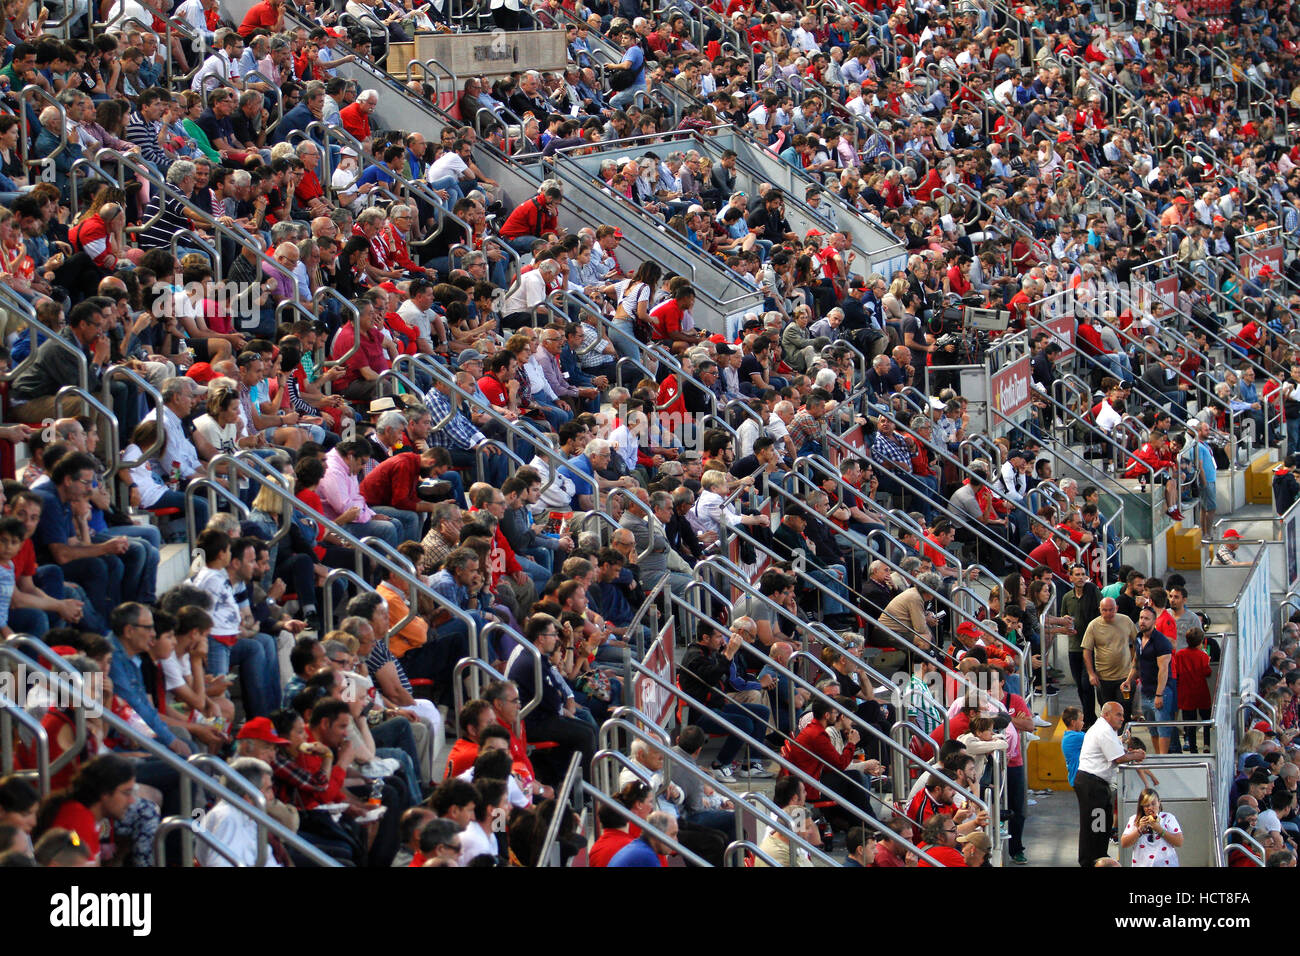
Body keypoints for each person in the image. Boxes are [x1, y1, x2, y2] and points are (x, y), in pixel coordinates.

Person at [1075, 700, 1146, 868]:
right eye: (1118, 714)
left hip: (1097, 785)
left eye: (1123, 715)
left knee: (1102, 826)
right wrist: (1136, 756)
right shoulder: (1103, 730)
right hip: (1092, 785)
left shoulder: (1108, 730)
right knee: (1094, 827)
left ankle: (1100, 857)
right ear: (1105, 714)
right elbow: (1118, 758)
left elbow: (1118, 752)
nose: (1122, 718)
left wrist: (1129, 752)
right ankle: (1091, 861)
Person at [1119, 787, 1183, 867]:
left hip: (1167, 864)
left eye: (1153, 804)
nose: (1150, 808)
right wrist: (1139, 829)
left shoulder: (1168, 818)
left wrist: (1159, 829)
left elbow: (1179, 842)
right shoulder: (1135, 820)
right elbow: (1124, 843)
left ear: (1159, 803)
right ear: (1141, 806)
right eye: (1146, 805)